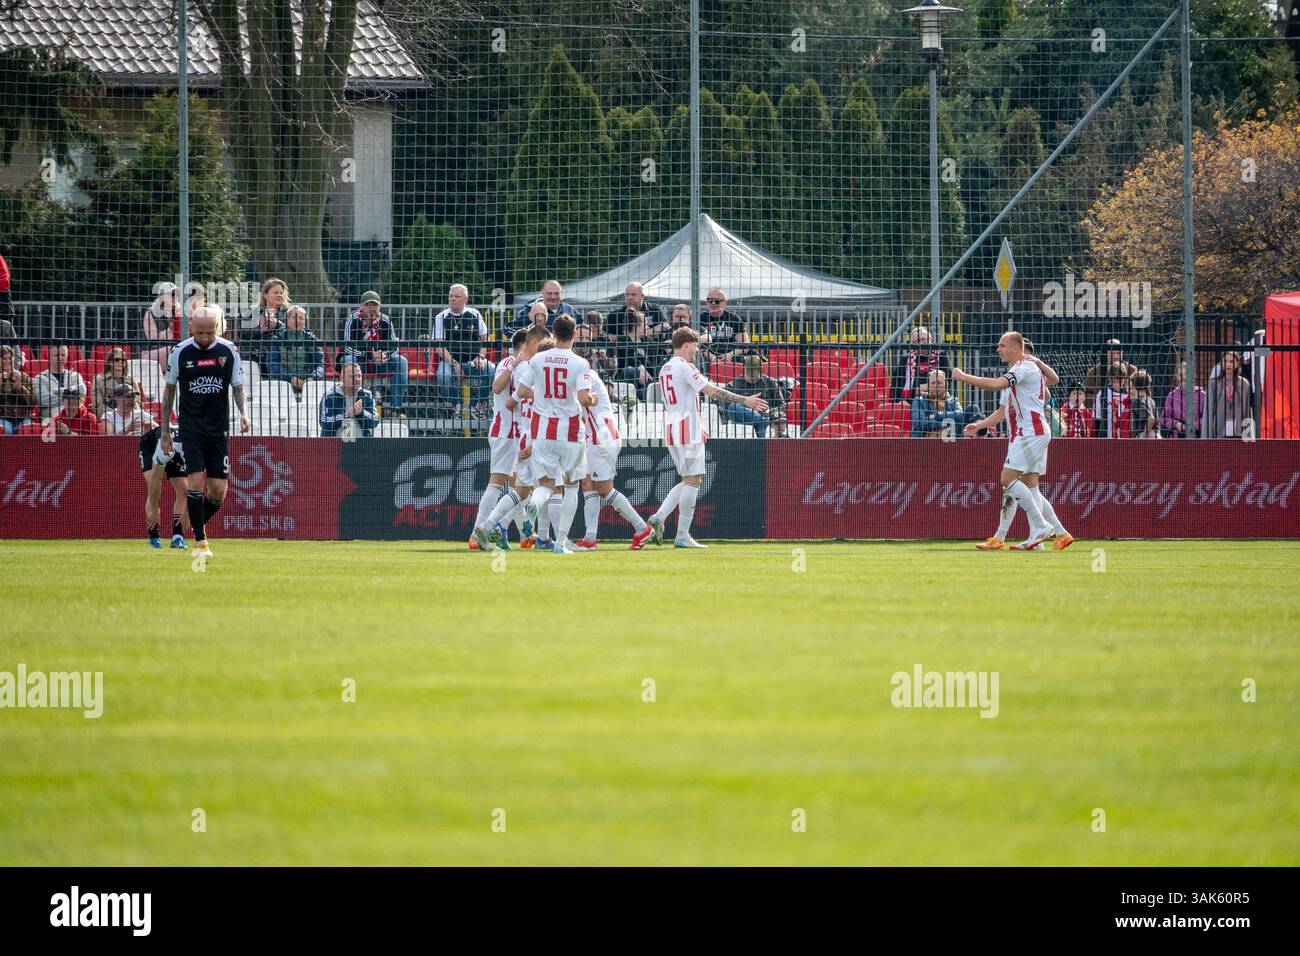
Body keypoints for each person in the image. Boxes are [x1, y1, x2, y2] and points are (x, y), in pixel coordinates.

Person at [646, 326, 769, 549]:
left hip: (673, 429)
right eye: (694, 347)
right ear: (685, 346)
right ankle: (682, 535)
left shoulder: (665, 368)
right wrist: (746, 401)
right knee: (693, 481)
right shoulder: (684, 367)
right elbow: (711, 391)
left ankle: (659, 517)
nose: (696, 352)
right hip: (688, 428)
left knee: (687, 479)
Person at [954, 331, 1072, 552]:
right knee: (1030, 487)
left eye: (1002, 345)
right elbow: (1040, 392)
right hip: (1031, 433)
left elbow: (998, 384)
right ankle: (1057, 533)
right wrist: (979, 425)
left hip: (1028, 433)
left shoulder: (1022, 368)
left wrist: (963, 376)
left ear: (1018, 349)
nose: (998, 349)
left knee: (1007, 479)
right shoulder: (1028, 370)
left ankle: (1039, 528)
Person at [495, 315, 593, 555]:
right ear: (574, 334)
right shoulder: (580, 363)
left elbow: (523, 390)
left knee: (545, 486)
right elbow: (583, 399)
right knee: (570, 487)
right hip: (569, 432)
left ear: (554, 333)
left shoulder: (538, 359)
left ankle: (533, 510)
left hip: (542, 433)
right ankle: (560, 543)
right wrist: (592, 399)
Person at [159, 306, 250, 558]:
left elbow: (238, 387)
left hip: (218, 429)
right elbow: (169, 393)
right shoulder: (180, 352)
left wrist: (243, 413)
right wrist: (165, 431)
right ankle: (200, 542)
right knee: (196, 480)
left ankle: (192, 523)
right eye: (199, 333)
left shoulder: (228, 351)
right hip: (191, 428)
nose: (204, 338)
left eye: (209, 333)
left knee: (218, 490)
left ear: (216, 329)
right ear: (191, 329)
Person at [478, 325, 554, 550]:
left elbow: (511, 401)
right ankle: (485, 530)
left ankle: (512, 531)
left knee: (520, 489)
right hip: (520, 433)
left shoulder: (510, 364)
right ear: (530, 344)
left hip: (516, 433)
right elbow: (504, 393)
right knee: (545, 487)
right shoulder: (526, 367)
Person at [571, 364, 653, 551]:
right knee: (587, 484)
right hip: (595, 437)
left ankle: (642, 528)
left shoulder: (584, 375)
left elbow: (583, 402)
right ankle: (590, 539)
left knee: (604, 489)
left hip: (602, 438)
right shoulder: (583, 376)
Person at [470, 328, 527, 550]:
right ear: (525, 344)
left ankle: (522, 534)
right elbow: (496, 388)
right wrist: (514, 364)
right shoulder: (510, 363)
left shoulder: (521, 365)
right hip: (507, 432)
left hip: (514, 432)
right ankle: (478, 533)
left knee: (519, 487)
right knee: (499, 483)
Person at [431, 284, 495, 418]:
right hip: (449, 361)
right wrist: (455, 364)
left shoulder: (475, 314)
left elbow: (485, 340)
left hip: (472, 360)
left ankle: (476, 405)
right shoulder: (441, 317)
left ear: (465, 299)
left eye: (457, 296)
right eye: (451, 296)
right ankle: (456, 404)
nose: (453, 299)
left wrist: (480, 357)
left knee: (493, 370)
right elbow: (439, 347)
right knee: (443, 375)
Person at [342, 291, 408, 417]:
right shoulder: (352, 319)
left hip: (381, 362)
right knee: (348, 360)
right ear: (361, 306)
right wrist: (369, 356)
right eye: (368, 305)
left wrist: (385, 356)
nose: (371, 308)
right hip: (359, 362)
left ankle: (395, 408)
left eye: (374, 305)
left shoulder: (385, 320)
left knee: (401, 361)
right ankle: (351, 407)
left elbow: (395, 347)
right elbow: (347, 347)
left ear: (379, 307)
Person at [138, 421, 190, 548]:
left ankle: (178, 538)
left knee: (183, 489)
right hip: (154, 446)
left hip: (176, 449)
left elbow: (194, 488)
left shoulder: (193, 449)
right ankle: (154, 537)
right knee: (153, 484)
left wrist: (188, 513)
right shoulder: (167, 448)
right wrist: (154, 512)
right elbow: (155, 480)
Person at [267, 305, 325, 402]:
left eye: (301, 318)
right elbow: (272, 364)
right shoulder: (278, 339)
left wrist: (312, 377)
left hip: (308, 383)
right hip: (284, 383)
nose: (298, 321)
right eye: (294, 317)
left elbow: (321, 364)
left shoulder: (311, 339)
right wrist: (291, 378)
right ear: (287, 320)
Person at [724, 354, 786, 437]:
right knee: (733, 406)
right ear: (744, 369)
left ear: (761, 370)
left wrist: (769, 411)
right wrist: (746, 406)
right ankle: (762, 421)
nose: (752, 379)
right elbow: (725, 406)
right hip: (743, 420)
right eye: (749, 376)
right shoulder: (734, 385)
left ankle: (761, 423)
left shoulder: (770, 382)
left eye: (755, 376)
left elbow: (782, 405)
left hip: (765, 415)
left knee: (761, 424)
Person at [319, 362, 378, 439]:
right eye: (353, 376)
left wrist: (361, 413)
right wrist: (347, 415)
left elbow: (375, 421)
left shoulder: (366, 395)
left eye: (359, 376)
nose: (357, 379)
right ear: (342, 378)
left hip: (364, 446)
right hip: (335, 447)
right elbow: (324, 422)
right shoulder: (329, 396)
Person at [1202, 350, 1252, 438]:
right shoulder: (1213, 384)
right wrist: (1207, 437)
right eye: (1225, 361)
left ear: (1237, 364)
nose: (1228, 364)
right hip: (1218, 433)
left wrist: (1248, 437)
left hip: (1238, 433)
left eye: (1232, 361)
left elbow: (1247, 413)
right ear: (1222, 363)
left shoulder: (1245, 384)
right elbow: (1208, 412)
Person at [892, 326, 947, 402]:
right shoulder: (906, 359)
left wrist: (927, 388)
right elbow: (897, 384)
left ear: (930, 339)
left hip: (937, 399)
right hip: (911, 400)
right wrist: (900, 401)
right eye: (916, 341)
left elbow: (948, 380)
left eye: (923, 339)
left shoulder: (940, 356)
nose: (921, 343)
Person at [33, 345, 87, 420]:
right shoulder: (39, 379)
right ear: (49, 356)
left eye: (63, 355)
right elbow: (44, 400)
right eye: (56, 355)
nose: (60, 358)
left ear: (67, 357)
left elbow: (82, 392)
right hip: (50, 419)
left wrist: (58, 392)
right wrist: (70, 392)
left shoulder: (75, 376)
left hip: (76, 417)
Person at [909, 369, 965, 438]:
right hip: (923, 444)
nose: (936, 386)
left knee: (973, 408)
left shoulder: (953, 400)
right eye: (933, 383)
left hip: (950, 443)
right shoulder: (918, 401)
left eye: (939, 383)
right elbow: (921, 424)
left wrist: (936, 415)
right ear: (928, 385)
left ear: (946, 384)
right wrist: (948, 423)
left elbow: (960, 415)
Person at [699, 288, 750, 363]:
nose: (713, 303)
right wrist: (713, 358)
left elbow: (745, 344)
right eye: (709, 300)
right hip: (706, 359)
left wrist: (731, 354)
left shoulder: (734, 318)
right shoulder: (701, 318)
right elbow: (696, 343)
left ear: (725, 302)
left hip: (730, 359)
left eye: (717, 301)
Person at [1083, 337, 1137, 405]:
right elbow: (1086, 395)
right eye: (1112, 353)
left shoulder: (1132, 370)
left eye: (1118, 353)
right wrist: (1102, 398)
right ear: (1105, 353)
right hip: (1102, 409)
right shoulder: (1093, 372)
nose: (1116, 356)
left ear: (1122, 352)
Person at [142, 281, 184, 368]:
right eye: (171, 294)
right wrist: (173, 329)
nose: (174, 296)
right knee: (175, 349)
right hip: (152, 351)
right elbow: (152, 338)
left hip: (171, 349)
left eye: (176, 294)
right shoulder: (151, 313)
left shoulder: (180, 312)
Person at [91, 348, 140, 419]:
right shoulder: (99, 380)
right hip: (109, 418)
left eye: (123, 360)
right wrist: (116, 417)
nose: (120, 362)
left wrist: (131, 417)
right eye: (117, 359)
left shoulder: (131, 381)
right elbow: (98, 405)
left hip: (130, 417)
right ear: (109, 362)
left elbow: (136, 402)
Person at [513, 279, 579, 331]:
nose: (553, 297)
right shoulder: (528, 310)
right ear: (542, 292)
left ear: (561, 293)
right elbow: (515, 332)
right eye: (549, 293)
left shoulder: (571, 311)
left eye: (556, 293)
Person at [1161, 362, 1205, 438]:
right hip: (1176, 437)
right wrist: (1175, 424)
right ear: (1177, 377)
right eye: (1181, 374)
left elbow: (1207, 417)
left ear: (1193, 375)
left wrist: (1194, 425)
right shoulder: (1172, 395)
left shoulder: (1202, 394)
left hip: (1197, 436)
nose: (1184, 377)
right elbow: (1163, 418)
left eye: (1186, 374)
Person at [0, 344, 35, 433]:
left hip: (22, 417)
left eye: (10, 358)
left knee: (28, 430)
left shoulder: (23, 377)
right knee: (6, 430)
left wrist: (21, 388)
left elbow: (32, 404)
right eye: (4, 358)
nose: (7, 361)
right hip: (2, 417)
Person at [1092, 364, 1133, 438]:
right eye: (1114, 381)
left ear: (1125, 379)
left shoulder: (1130, 394)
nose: (1117, 384)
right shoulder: (1103, 394)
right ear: (1109, 379)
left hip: (1126, 436)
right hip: (1107, 436)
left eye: (1120, 381)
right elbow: (1097, 417)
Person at [574, 310, 617, 378]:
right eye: (591, 328)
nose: (594, 331)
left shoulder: (605, 340)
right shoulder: (578, 336)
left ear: (601, 325)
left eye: (597, 327)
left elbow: (613, 370)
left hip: (600, 376)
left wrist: (604, 360)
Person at [1129, 369, 1161, 439]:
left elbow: (1150, 419)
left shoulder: (1137, 402)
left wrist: (1143, 436)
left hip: (1147, 436)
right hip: (1156, 435)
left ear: (1134, 385)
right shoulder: (1151, 400)